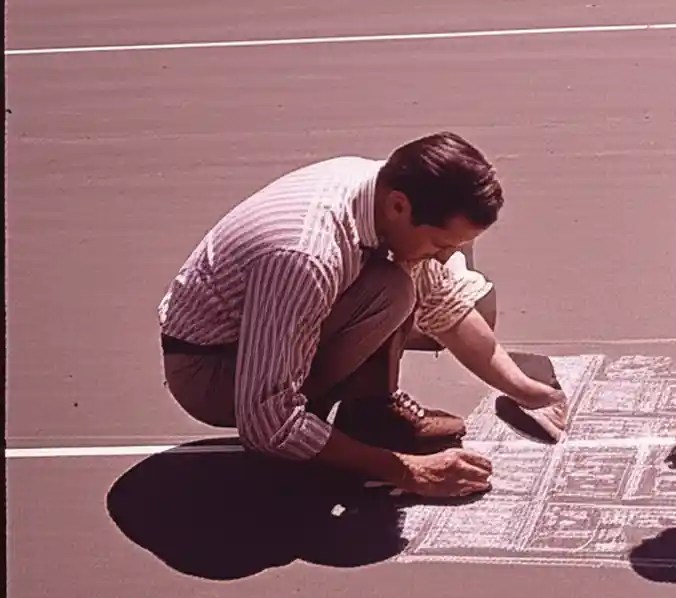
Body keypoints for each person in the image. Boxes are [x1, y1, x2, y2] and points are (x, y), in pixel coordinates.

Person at [158, 132, 567, 499]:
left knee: (399, 283)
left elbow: (445, 306)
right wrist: (407, 471)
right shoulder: (307, 256)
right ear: (399, 206)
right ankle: (336, 431)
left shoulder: (384, 190)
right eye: (442, 242)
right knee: (391, 288)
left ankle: (370, 409)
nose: (448, 255)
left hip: (251, 334)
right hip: (210, 370)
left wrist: (526, 390)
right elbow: (266, 422)